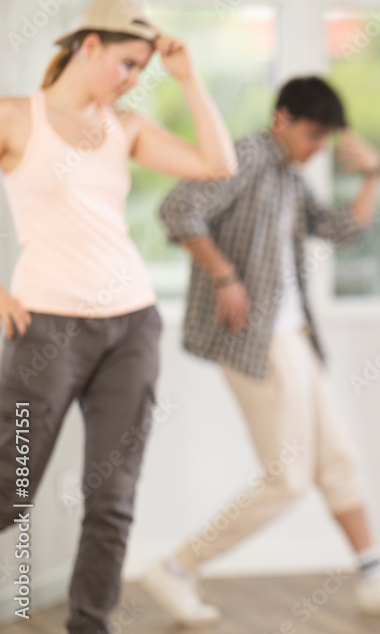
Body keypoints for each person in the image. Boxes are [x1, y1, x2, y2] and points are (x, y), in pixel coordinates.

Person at [144, 76, 380, 624]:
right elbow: (177, 209)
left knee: (338, 461)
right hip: (258, 341)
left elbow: (345, 230)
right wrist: (225, 275)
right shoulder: (246, 159)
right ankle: (175, 568)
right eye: (313, 134)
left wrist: (371, 174)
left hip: (295, 339)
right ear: (283, 119)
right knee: (288, 478)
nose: (318, 147)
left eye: (327, 138)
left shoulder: (287, 178)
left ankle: (373, 576)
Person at [0, 0, 236, 631]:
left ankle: (90, 625)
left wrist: (186, 77)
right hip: (45, 327)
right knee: (10, 486)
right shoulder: (15, 116)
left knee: (113, 499)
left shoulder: (123, 128)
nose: (132, 78)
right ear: (88, 47)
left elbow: (218, 165)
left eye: (142, 69)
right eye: (127, 63)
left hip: (131, 326)